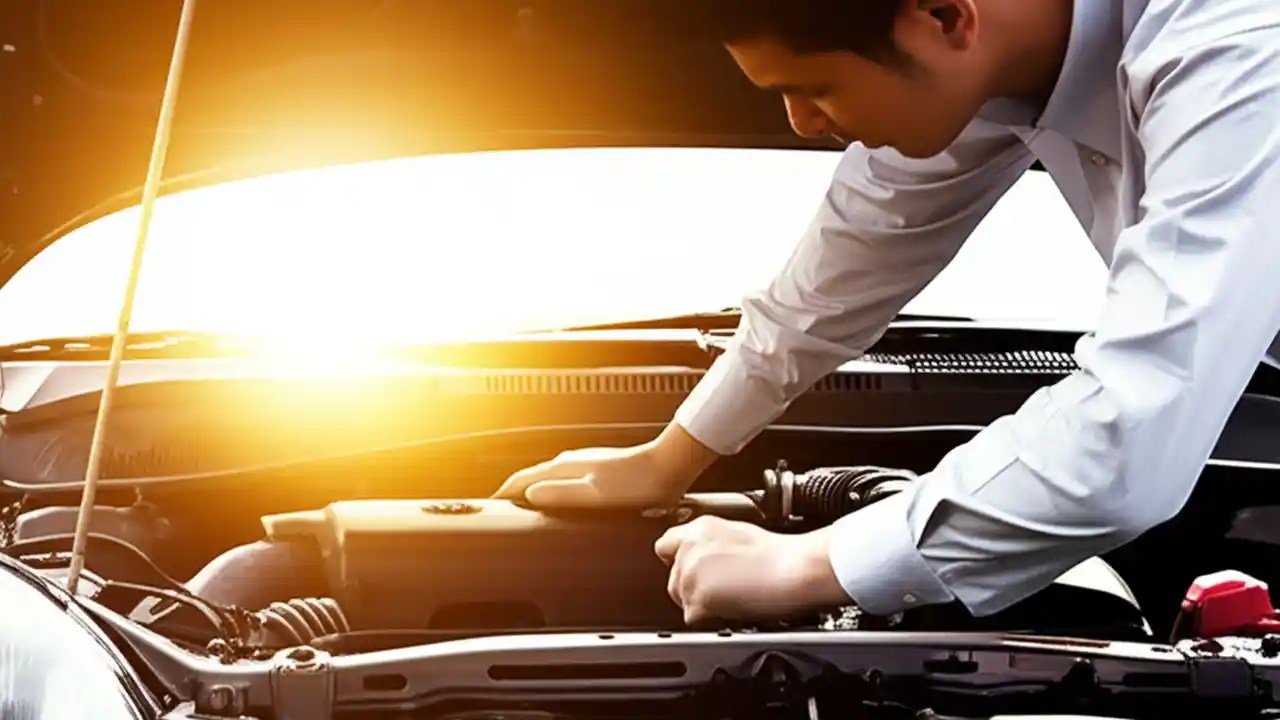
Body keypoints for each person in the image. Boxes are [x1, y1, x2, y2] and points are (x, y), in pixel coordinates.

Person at [494, 0, 1280, 626]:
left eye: (814, 88)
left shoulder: (1240, 58)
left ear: (944, 17)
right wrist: (672, 456)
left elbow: (1129, 444)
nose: (801, 122)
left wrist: (811, 564)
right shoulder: (998, 56)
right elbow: (863, 242)